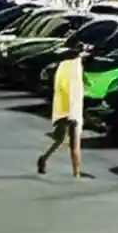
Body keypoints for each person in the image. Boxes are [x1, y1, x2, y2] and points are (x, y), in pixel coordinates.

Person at [37, 46, 86, 178]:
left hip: (61, 109)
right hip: (72, 111)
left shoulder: (62, 69)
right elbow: (75, 91)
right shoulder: (74, 70)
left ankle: (44, 158)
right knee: (74, 143)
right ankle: (76, 173)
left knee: (59, 139)